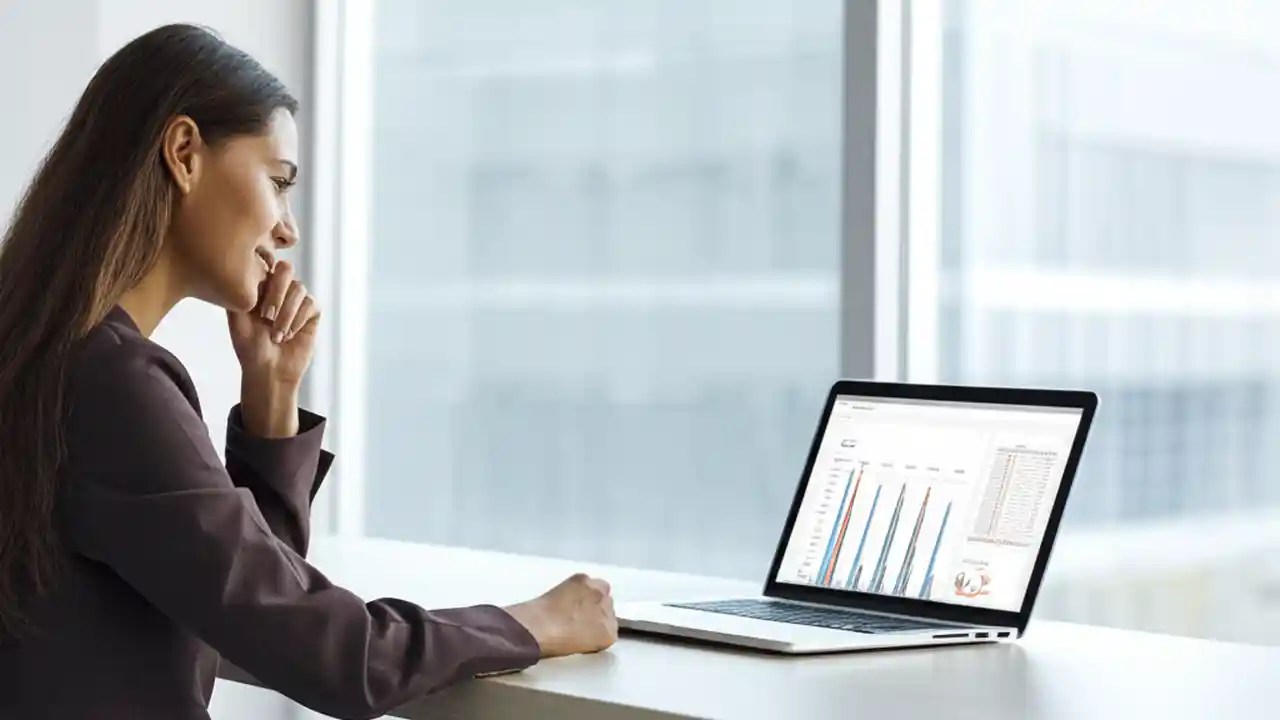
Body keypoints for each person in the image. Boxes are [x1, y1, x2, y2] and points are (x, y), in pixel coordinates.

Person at [0, 23, 617, 719]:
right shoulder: (113, 383)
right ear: (183, 153)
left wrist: (272, 399)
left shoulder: (49, 351)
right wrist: (535, 623)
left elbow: (250, 605)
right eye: (278, 182)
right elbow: (335, 657)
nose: (288, 228)